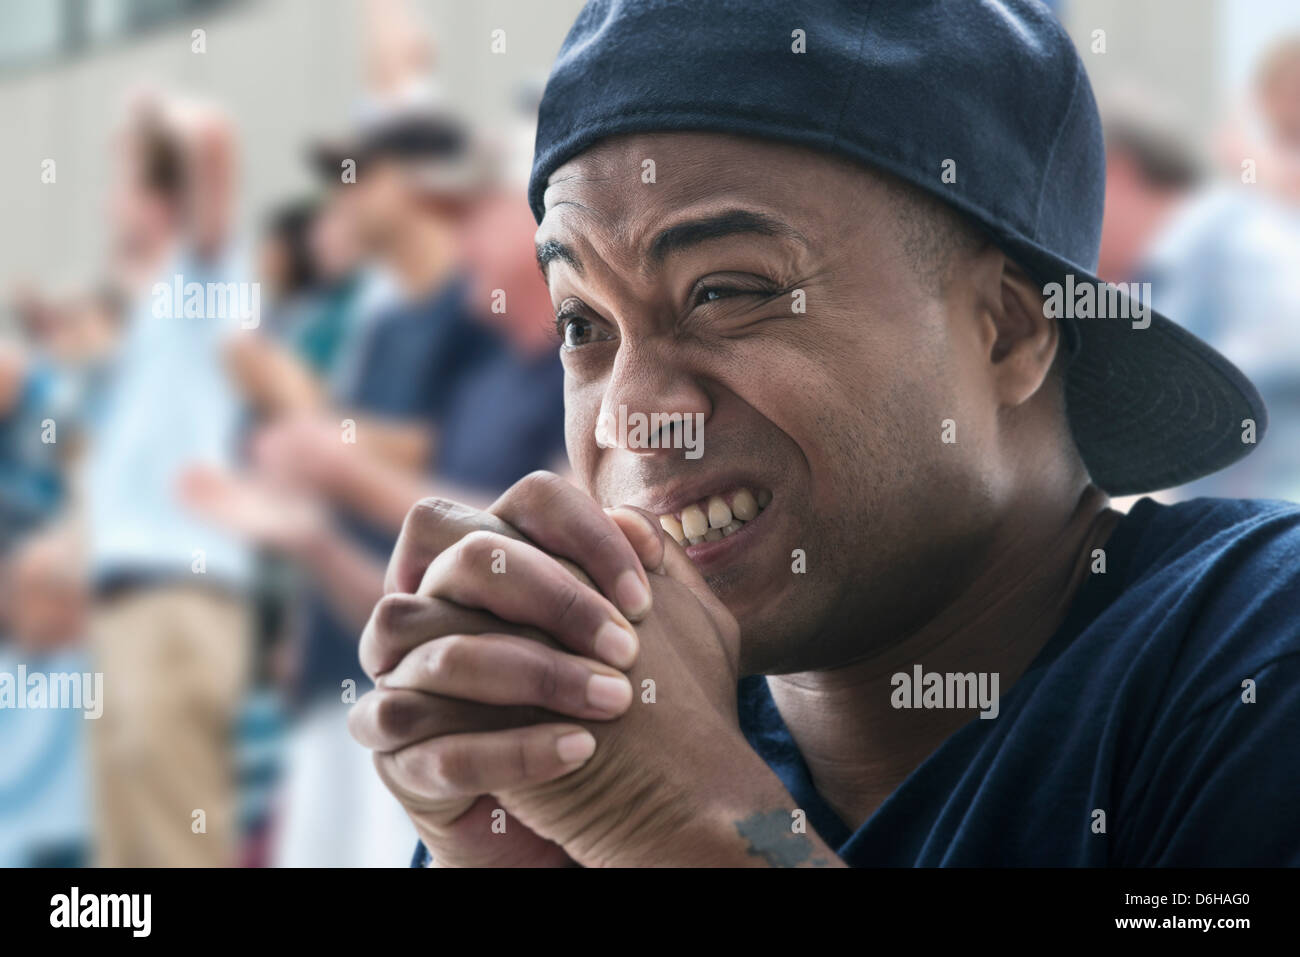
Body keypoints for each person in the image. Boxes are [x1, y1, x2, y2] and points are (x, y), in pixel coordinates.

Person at [349, 0, 1300, 867]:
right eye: (581, 327)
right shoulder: (603, 746)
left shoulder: (1250, 666)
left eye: (726, 292)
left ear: (1008, 329)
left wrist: (690, 830)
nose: (632, 413)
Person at [82, 94, 254, 867]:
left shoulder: (203, 283)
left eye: (123, 184)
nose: (111, 206)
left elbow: (213, 143)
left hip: (175, 601)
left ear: (157, 199)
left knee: (176, 842)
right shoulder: (147, 319)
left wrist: (154, 121)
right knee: (122, 867)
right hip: (123, 608)